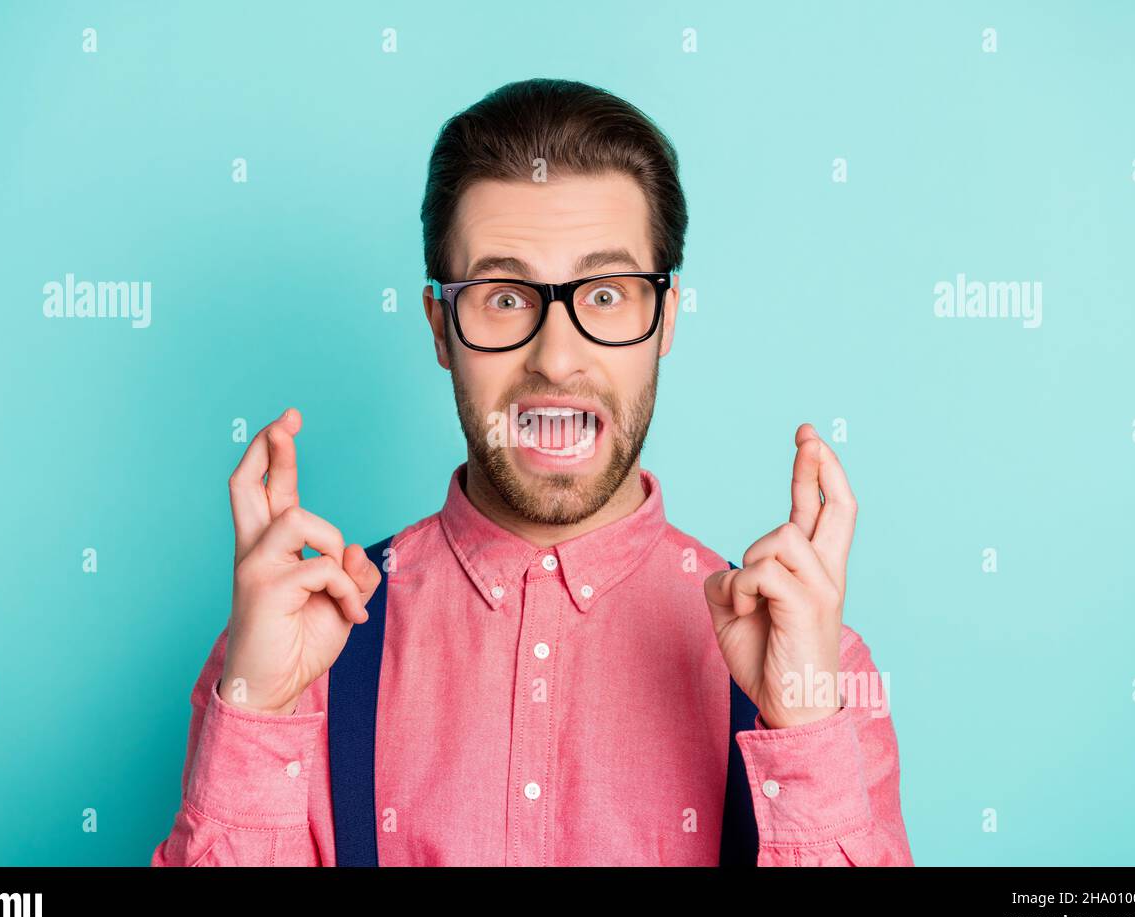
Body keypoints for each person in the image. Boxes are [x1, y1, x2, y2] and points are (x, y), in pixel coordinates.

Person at [151, 78, 914, 866]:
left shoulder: (821, 673)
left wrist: (800, 730)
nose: (555, 355)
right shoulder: (292, 652)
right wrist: (258, 717)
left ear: (667, 320)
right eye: (505, 298)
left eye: (608, 294)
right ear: (441, 327)